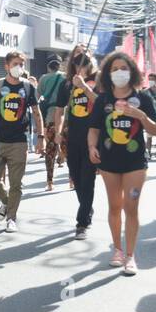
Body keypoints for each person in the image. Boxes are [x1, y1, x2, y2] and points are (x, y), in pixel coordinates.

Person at [88, 52, 156, 276]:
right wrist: (92, 147)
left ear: (132, 71)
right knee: (115, 206)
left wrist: (140, 115)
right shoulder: (103, 100)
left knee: (131, 207)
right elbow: (94, 129)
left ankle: (130, 255)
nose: (120, 72)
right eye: (115, 69)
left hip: (135, 163)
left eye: (124, 68)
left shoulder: (143, 98)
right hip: (109, 163)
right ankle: (117, 251)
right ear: (108, 73)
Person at [0, 49, 43, 233]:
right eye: (15, 64)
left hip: (19, 142)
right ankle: (7, 203)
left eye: (21, 64)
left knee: (16, 184)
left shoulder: (28, 87)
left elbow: (37, 112)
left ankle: (11, 218)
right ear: (6, 66)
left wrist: (41, 137)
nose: (19, 67)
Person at [57, 49, 99, 239]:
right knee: (76, 178)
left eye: (85, 61)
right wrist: (58, 132)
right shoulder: (66, 84)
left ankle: (82, 222)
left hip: (92, 139)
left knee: (88, 179)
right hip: (72, 138)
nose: (81, 66)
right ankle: (87, 207)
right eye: (77, 62)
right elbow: (60, 110)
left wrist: (84, 87)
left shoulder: (99, 81)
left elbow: (102, 104)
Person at [37, 56, 67, 191]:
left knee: (50, 151)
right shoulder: (66, 77)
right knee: (69, 148)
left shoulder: (43, 78)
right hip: (66, 118)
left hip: (50, 117)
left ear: (49, 67)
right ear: (59, 66)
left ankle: (50, 182)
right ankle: (72, 180)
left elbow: (38, 97)